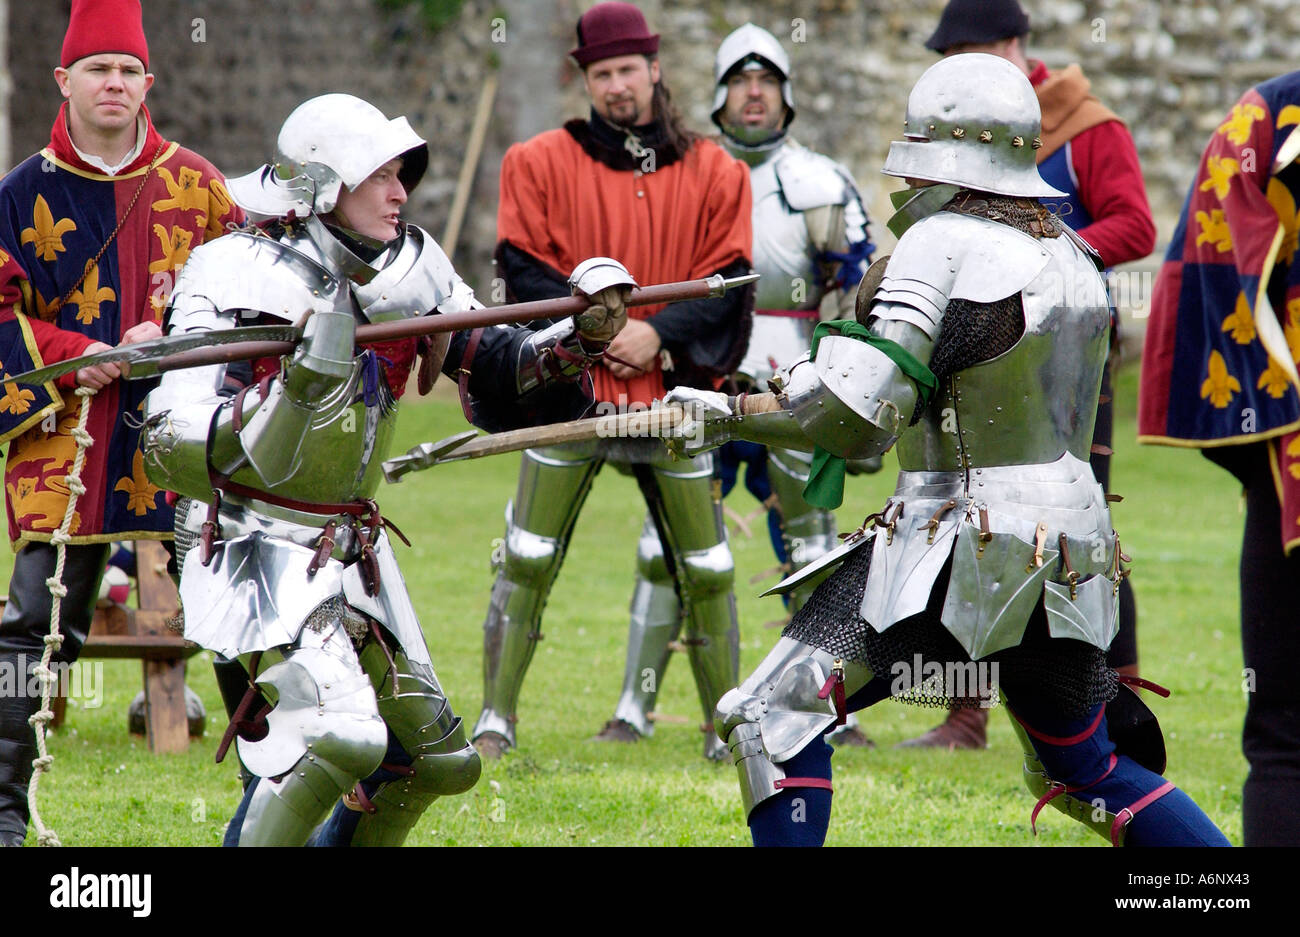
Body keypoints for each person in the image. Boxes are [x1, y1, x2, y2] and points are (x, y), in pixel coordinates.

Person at [676, 53, 1229, 847]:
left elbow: (858, 422)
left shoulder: (940, 244)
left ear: (939, 153)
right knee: (1084, 767)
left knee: (773, 713)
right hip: (1070, 550)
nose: (903, 187)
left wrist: (727, 412)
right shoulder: (1071, 255)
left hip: (956, 542)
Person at [140, 93, 629, 846]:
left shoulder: (412, 267)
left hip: (353, 551)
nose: (401, 193)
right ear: (322, 185)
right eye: (381, 177)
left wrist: (577, 336)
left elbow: (493, 366)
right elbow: (171, 438)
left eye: (402, 175)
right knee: (334, 738)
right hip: (248, 545)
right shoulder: (232, 270)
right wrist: (297, 385)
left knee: (439, 761)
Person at [470, 2, 753, 761]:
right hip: (570, 386)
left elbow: (728, 277)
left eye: (629, 69)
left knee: (707, 566)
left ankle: (724, 728)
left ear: (655, 69)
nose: (618, 86)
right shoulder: (535, 163)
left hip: (671, 395)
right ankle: (496, 721)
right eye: (602, 74)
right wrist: (593, 336)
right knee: (525, 554)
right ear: (586, 80)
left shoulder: (718, 171)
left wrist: (655, 332)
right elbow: (523, 268)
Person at [0, 0, 242, 847]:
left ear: (150, 83)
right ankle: (2, 808)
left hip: (184, 432)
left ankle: (275, 795)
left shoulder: (201, 186)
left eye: (127, 70)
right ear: (63, 80)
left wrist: (166, 341)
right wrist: (82, 351)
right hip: (64, 437)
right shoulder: (17, 194)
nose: (114, 83)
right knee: (33, 622)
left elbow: (249, 306)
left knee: (240, 609)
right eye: (97, 69)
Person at [899, 0, 1156, 750]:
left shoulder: (1087, 127)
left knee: (1083, 527)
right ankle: (964, 712)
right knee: (959, 508)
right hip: (974, 346)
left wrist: (1041, 257)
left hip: (1064, 351)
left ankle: (1121, 707)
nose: (961, 67)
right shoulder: (958, 123)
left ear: (1015, 45)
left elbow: (1135, 223)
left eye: (976, 50)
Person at [619, 22, 879, 749]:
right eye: (740, 80)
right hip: (699, 369)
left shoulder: (822, 181)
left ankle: (823, 707)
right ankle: (633, 708)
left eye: (766, 81)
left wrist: (845, 384)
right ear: (719, 95)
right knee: (667, 541)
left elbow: (857, 293)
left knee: (814, 542)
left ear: (787, 96)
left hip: (797, 375)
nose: (753, 93)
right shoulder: (681, 176)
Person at [1138, 71, 1300, 846]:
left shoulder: (1266, 116)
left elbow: (1204, 287)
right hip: (1284, 476)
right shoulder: (1266, 117)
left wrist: (1261, 466)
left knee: (1284, 739)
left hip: (1288, 470)